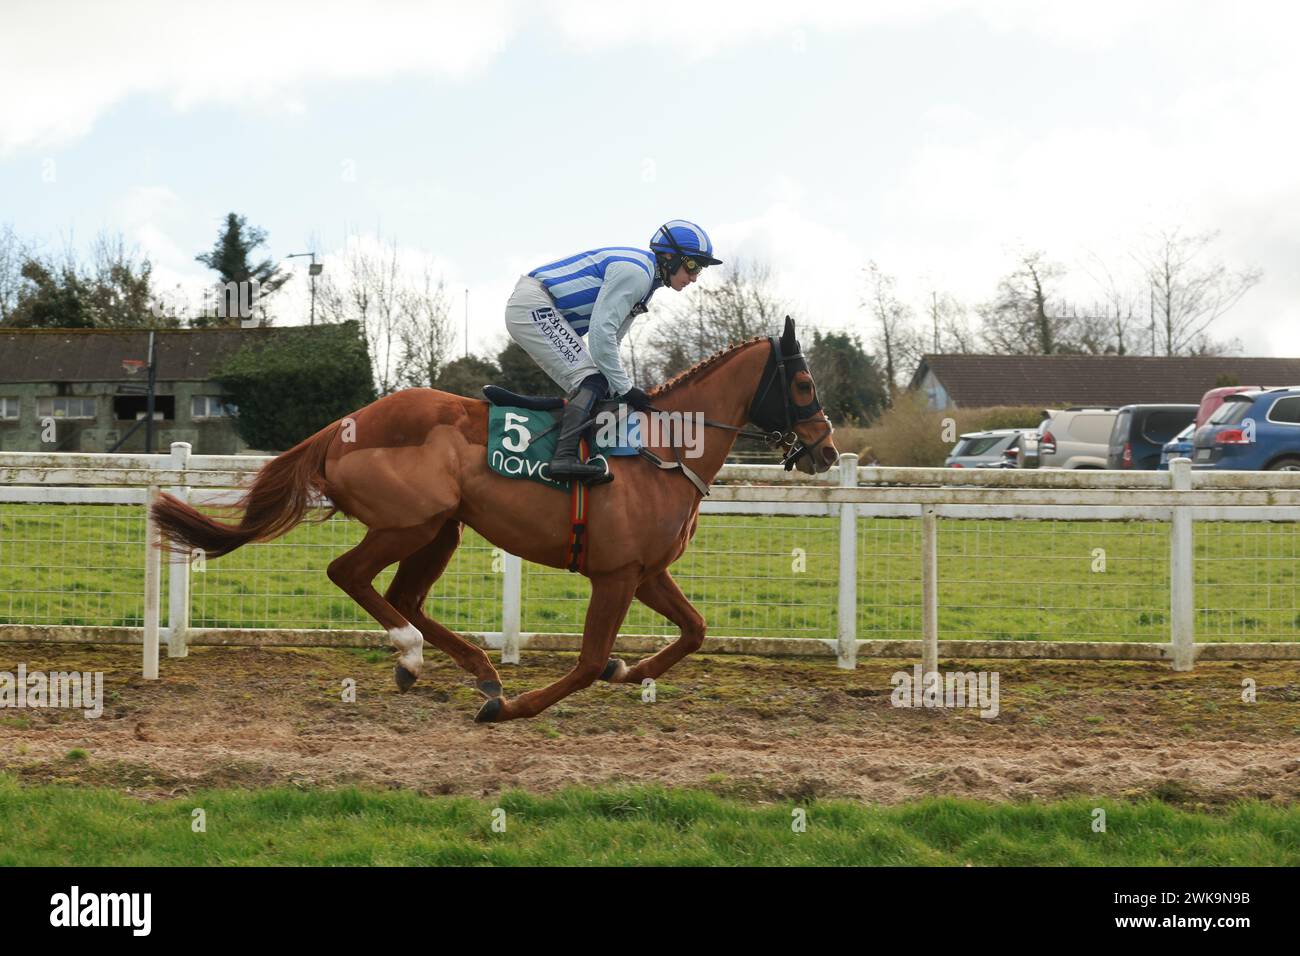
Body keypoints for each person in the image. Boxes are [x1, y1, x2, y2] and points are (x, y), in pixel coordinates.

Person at [503, 220, 721, 482]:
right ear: (669, 256)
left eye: (700, 269)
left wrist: (620, 386)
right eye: (693, 265)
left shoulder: (647, 283)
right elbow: (599, 337)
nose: (695, 277)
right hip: (533, 305)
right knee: (591, 380)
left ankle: (579, 453)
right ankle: (563, 459)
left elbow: (611, 342)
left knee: (601, 385)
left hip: (538, 305)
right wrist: (627, 389)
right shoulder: (637, 273)